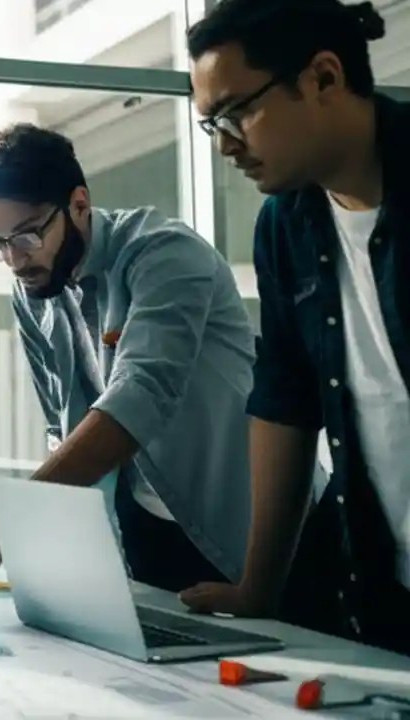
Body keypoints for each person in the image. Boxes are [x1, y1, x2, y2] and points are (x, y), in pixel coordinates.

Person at [0, 123, 256, 594]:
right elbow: (61, 429)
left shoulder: (163, 253)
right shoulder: (33, 290)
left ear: (79, 204)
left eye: (26, 236)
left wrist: (20, 510)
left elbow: (140, 394)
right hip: (144, 533)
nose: (14, 260)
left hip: (249, 528)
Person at [183, 0, 410, 656]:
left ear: (324, 77)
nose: (225, 145)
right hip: (378, 581)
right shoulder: (286, 224)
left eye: (235, 113)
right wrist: (259, 586)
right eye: (210, 126)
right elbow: (286, 399)